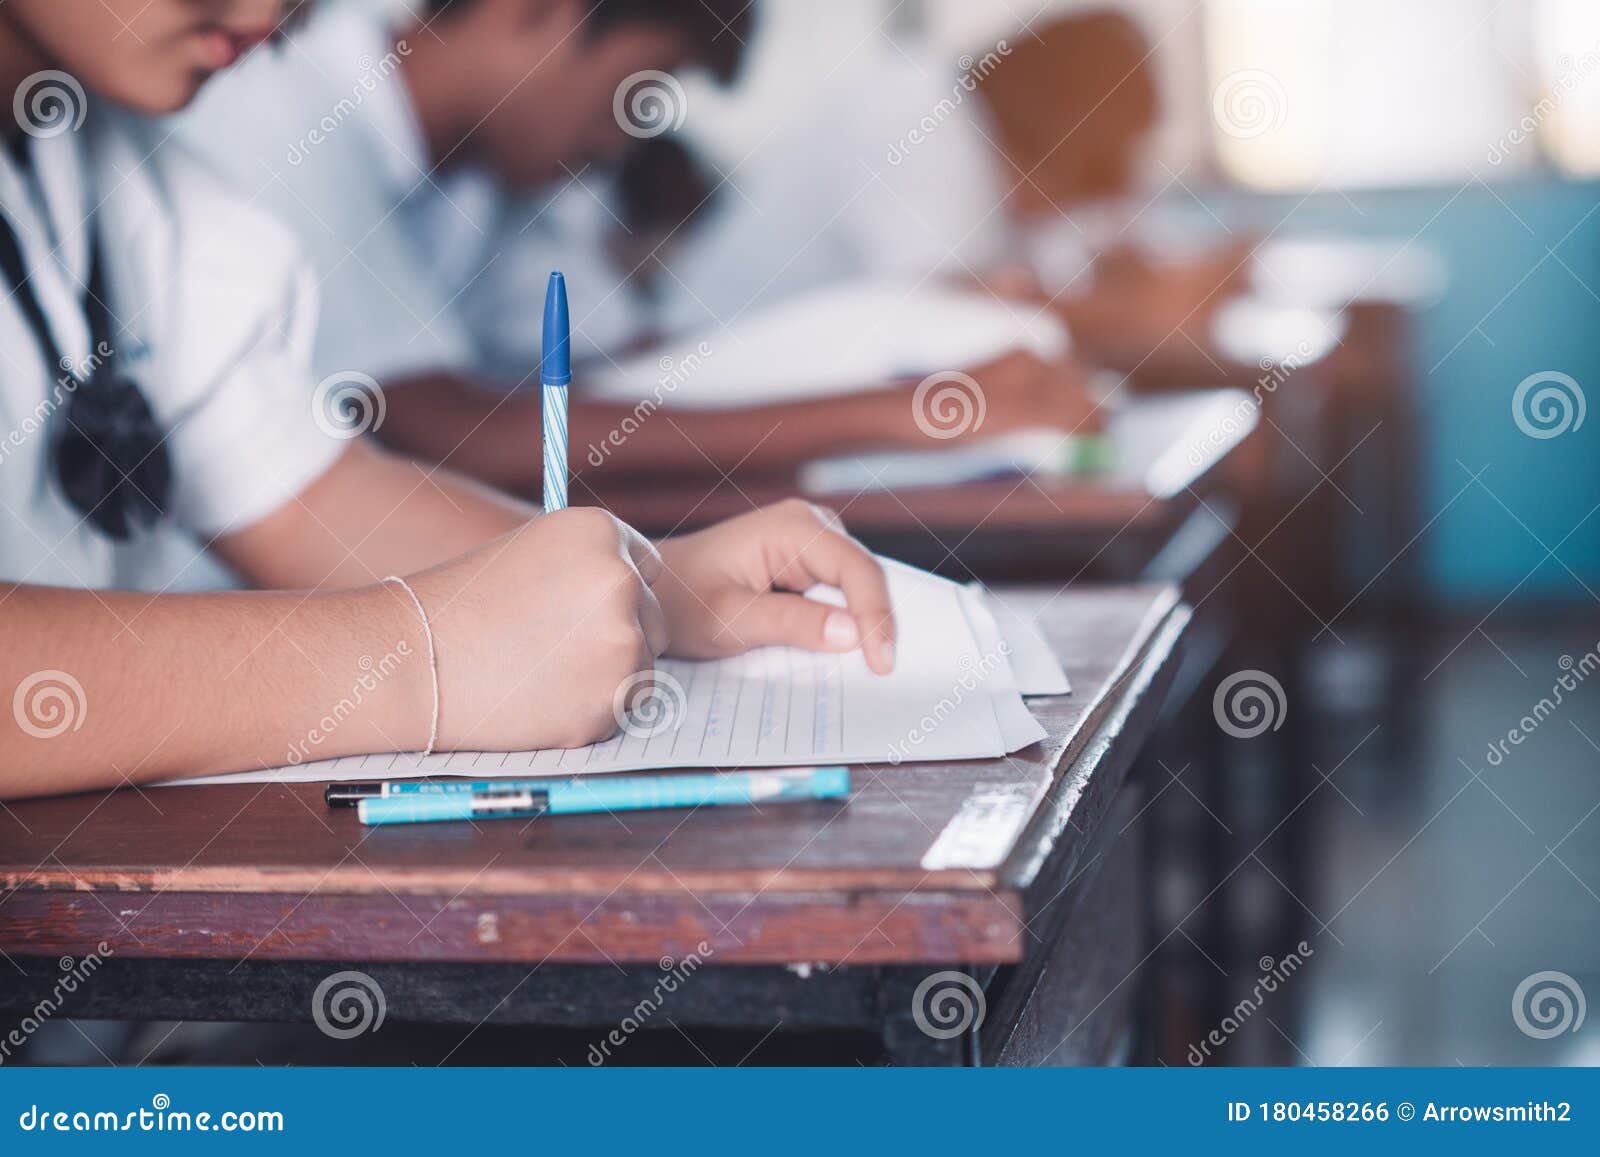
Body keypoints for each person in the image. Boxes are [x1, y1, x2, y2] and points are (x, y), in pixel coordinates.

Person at [0, 0, 895, 801]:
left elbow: (298, 492)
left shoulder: (110, 173)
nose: (272, 12)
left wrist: (662, 585)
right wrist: (419, 655)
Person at [170, 0, 1100, 496]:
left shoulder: (512, 172)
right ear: (532, 12)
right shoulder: (291, 105)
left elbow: (608, 376)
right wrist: (896, 413)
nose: (624, 138)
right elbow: (443, 433)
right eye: (636, 83)